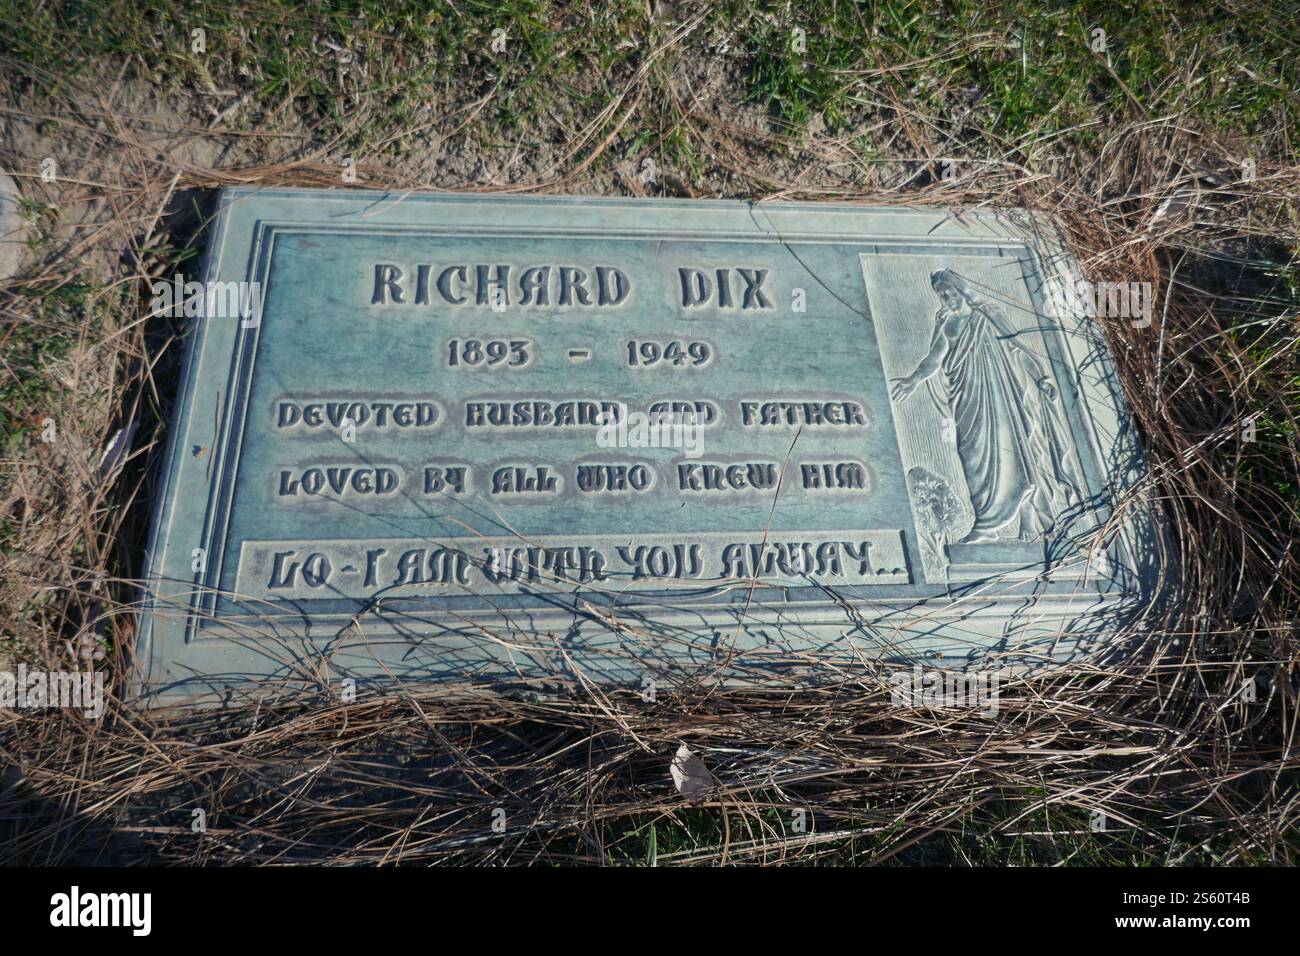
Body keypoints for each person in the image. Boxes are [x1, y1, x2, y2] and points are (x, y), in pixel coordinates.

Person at [890, 269, 1083, 543]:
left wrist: (1042, 377)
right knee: (973, 457)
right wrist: (913, 380)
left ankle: (1026, 517)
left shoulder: (987, 316)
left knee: (1013, 451)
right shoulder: (948, 326)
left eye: (950, 291)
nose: (947, 297)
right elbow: (933, 360)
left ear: (962, 289)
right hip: (966, 400)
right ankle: (986, 522)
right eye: (942, 295)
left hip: (998, 395)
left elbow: (1018, 349)